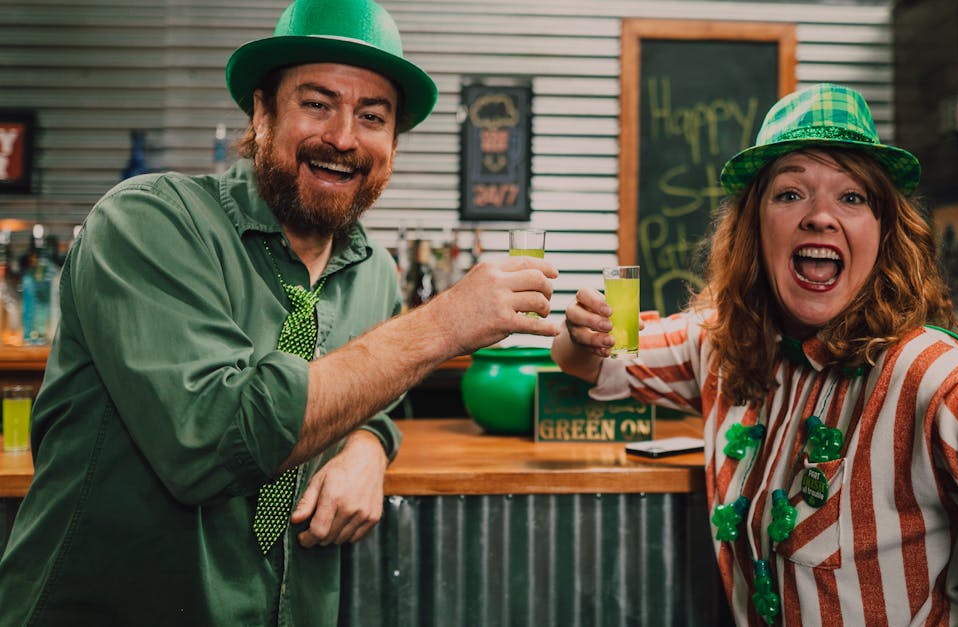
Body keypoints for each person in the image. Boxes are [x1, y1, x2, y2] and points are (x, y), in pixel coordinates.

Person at [0, 0, 558, 624]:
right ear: (261, 112)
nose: (343, 137)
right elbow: (212, 442)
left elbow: (368, 391)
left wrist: (369, 445)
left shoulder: (374, 274)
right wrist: (443, 324)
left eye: (372, 116)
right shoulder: (149, 222)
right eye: (316, 104)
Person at [553, 83, 958, 625]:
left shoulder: (930, 373)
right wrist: (580, 332)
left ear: (884, 235)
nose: (821, 217)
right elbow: (594, 363)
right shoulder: (724, 341)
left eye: (852, 197)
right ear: (753, 228)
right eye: (791, 193)